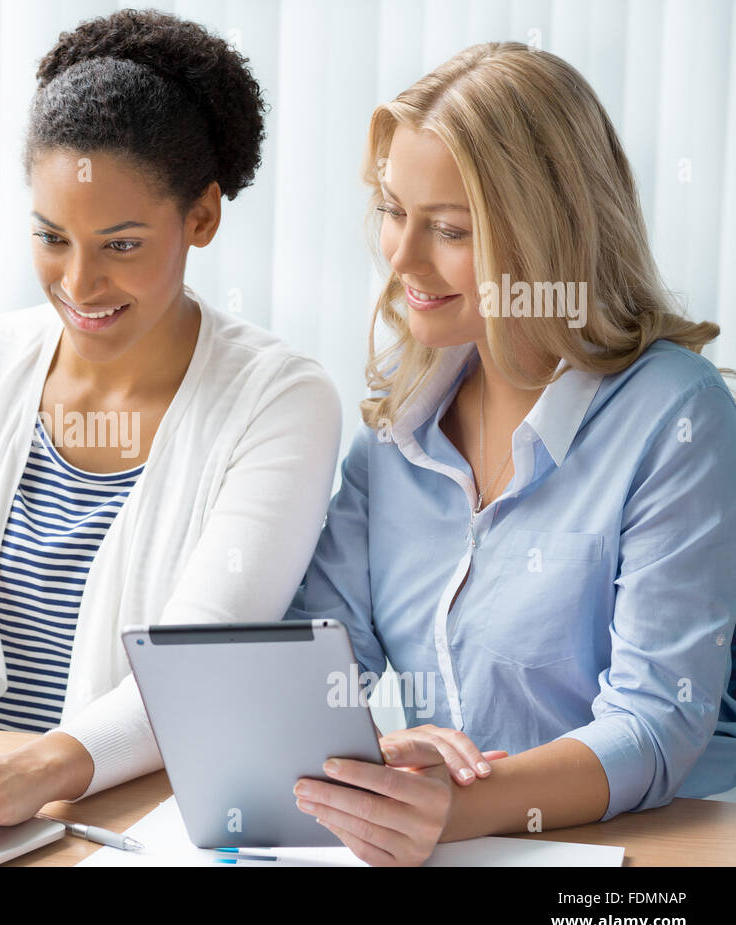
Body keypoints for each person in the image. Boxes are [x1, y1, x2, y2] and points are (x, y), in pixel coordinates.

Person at [0, 9, 342, 855]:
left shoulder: (281, 401)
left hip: (116, 827)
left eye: (121, 245)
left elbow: (191, 673)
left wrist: (33, 774)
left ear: (200, 218)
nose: (80, 283)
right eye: (52, 239)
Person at [286, 41, 736, 865]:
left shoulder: (677, 415)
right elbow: (318, 655)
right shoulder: (398, 428)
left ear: (549, 235)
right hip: (461, 845)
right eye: (393, 211)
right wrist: (380, 762)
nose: (402, 257)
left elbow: (654, 722)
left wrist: (454, 807)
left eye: (451, 229)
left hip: (661, 848)